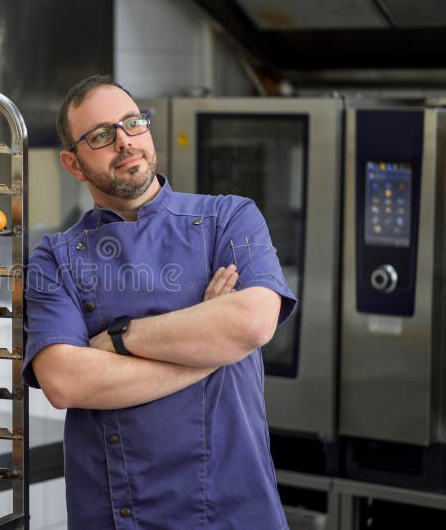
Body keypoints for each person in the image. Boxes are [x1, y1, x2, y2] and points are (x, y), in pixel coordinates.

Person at [23, 74, 297, 529]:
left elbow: (250, 326)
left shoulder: (229, 217)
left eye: (133, 123)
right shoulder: (54, 257)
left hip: (232, 510)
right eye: (102, 135)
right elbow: (66, 381)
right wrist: (210, 353)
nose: (126, 142)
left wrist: (118, 339)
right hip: (114, 515)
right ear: (73, 164)